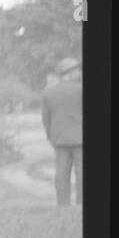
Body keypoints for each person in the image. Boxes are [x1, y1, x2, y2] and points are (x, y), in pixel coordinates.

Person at [42, 57, 83, 206]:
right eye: (77, 70)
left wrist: (50, 136)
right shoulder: (81, 89)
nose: (79, 73)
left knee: (61, 173)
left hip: (59, 138)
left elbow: (46, 119)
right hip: (81, 139)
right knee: (82, 173)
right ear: (70, 73)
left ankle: (63, 204)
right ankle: (81, 204)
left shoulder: (48, 92)